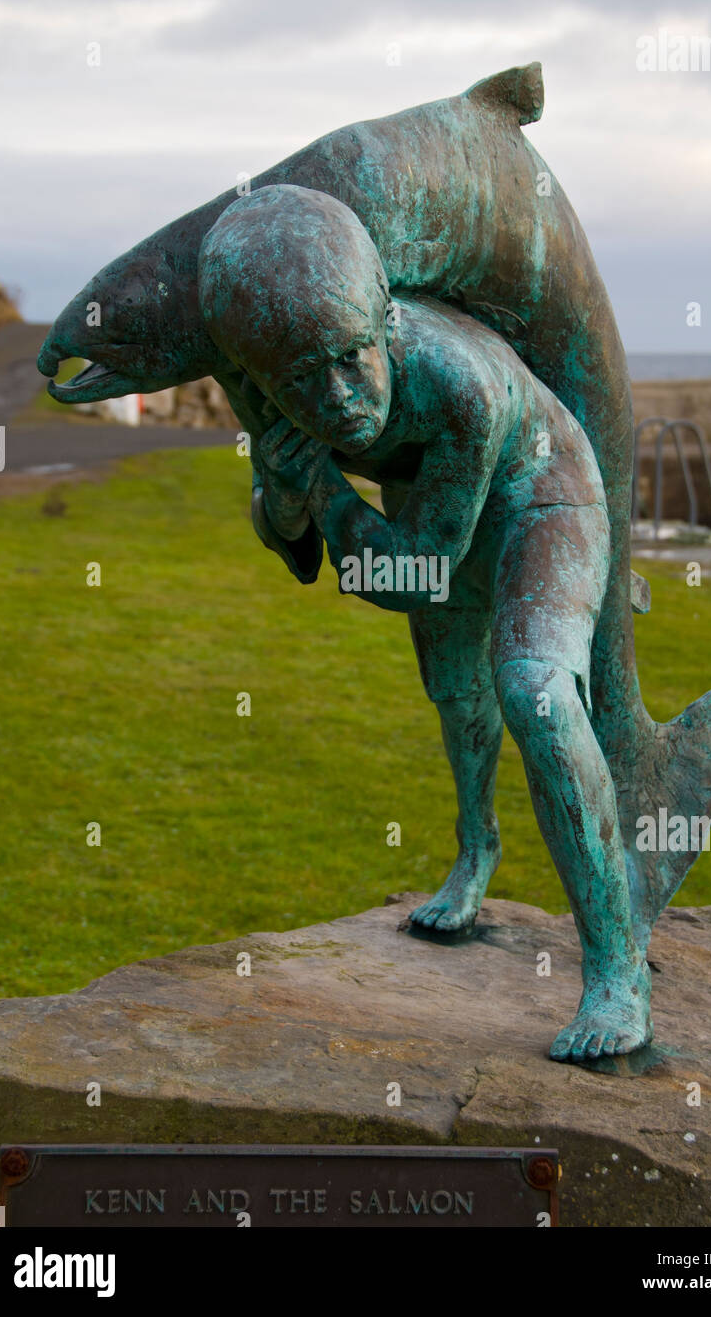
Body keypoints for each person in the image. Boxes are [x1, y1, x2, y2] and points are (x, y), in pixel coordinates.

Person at [199, 183, 652, 1063]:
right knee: (454, 691)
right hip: (431, 505)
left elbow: (410, 574)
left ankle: (616, 971)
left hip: (539, 495)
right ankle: (475, 849)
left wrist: (324, 491)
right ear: (261, 380)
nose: (335, 398)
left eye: (351, 359)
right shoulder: (270, 380)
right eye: (300, 383)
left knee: (535, 693)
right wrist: (288, 497)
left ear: (379, 323)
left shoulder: (459, 385)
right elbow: (285, 535)